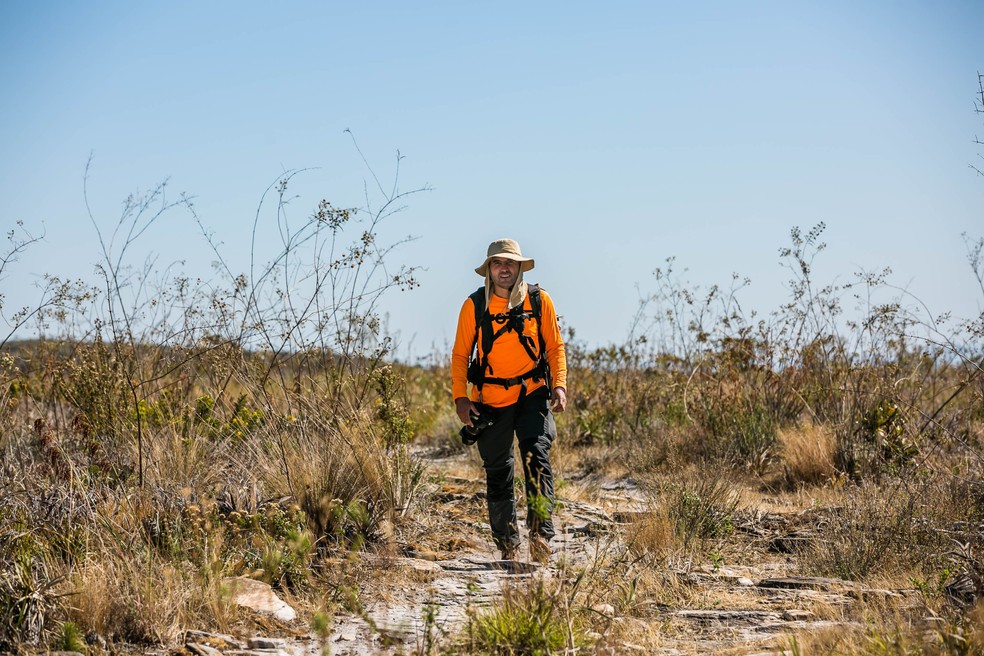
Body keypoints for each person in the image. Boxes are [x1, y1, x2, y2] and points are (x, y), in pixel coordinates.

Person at [451, 238, 567, 563]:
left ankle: (541, 535)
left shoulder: (539, 300)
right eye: (498, 263)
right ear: (489, 269)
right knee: (499, 473)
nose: (504, 269)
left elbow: (555, 348)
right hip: (490, 400)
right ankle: (508, 547)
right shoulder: (474, 306)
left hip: (533, 394)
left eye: (510, 263)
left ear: (519, 268)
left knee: (537, 460)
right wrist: (461, 398)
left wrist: (560, 386)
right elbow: (460, 355)